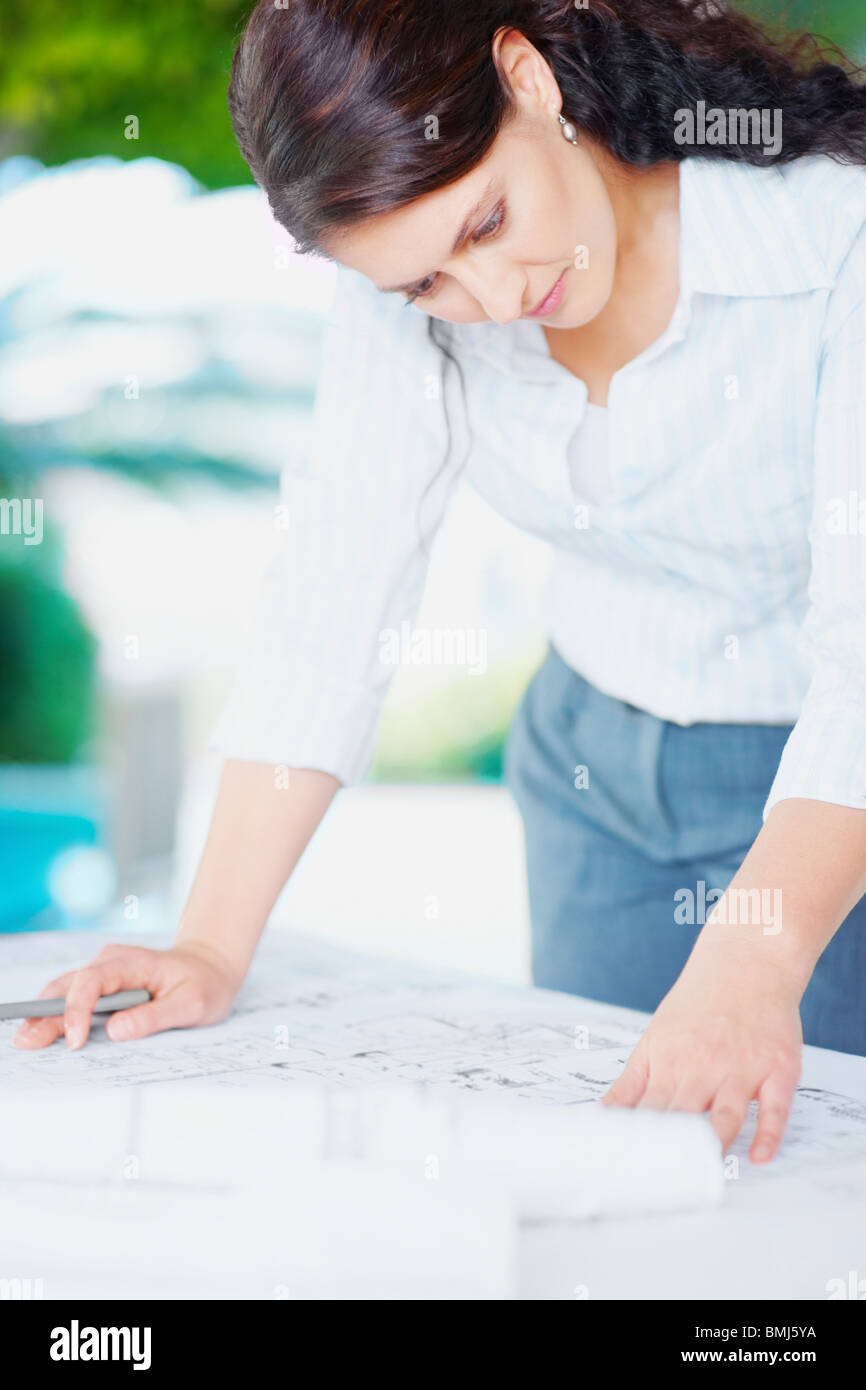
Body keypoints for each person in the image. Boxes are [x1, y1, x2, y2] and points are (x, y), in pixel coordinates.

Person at [15, 0, 866, 1166]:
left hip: (824, 796)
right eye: (426, 285)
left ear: (526, 79)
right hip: (593, 783)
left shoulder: (831, 239)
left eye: (489, 221)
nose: (492, 296)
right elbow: (336, 584)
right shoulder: (407, 277)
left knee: (814, 1194)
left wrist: (754, 958)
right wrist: (207, 946)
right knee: (630, 1186)